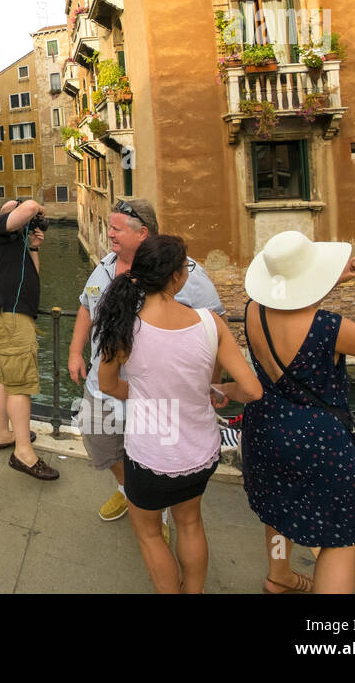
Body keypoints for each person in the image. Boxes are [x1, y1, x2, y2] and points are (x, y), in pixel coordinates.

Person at [241, 230, 355, 594]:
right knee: (339, 537)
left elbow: (288, 304)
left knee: (276, 509)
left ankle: (279, 576)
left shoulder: (253, 308)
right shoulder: (328, 328)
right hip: (316, 439)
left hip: (265, 425)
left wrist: (327, 281)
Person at [94, 234, 263, 593]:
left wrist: (144, 395)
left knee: (150, 533)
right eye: (185, 266)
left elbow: (108, 385)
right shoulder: (209, 323)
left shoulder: (125, 327)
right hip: (200, 453)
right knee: (190, 523)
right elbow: (252, 390)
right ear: (175, 277)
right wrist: (217, 390)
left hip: (150, 457)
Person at [67, 198, 224, 525]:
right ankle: (129, 490)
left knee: (158, 462)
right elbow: (86, 305)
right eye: (109, 227)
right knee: (99, 442)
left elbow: (213, 328)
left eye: (116, 229)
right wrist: (74, 351)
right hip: (103, 386)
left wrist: (212, 380)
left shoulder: (185, 273)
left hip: (156, 395)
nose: (109, 234)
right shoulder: (106, 265)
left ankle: (158, 514)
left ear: (143, 234)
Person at [0, 199, 58, 480]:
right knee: (20, 384)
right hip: (8, 317)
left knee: (5, 377)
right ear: (4, 213)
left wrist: (33, 246)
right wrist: (32, 207)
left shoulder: (11, 242)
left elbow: (34, 276)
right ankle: (23, 452)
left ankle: (3, 434)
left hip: (6, 315)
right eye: (12, 205)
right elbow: (27, 207)